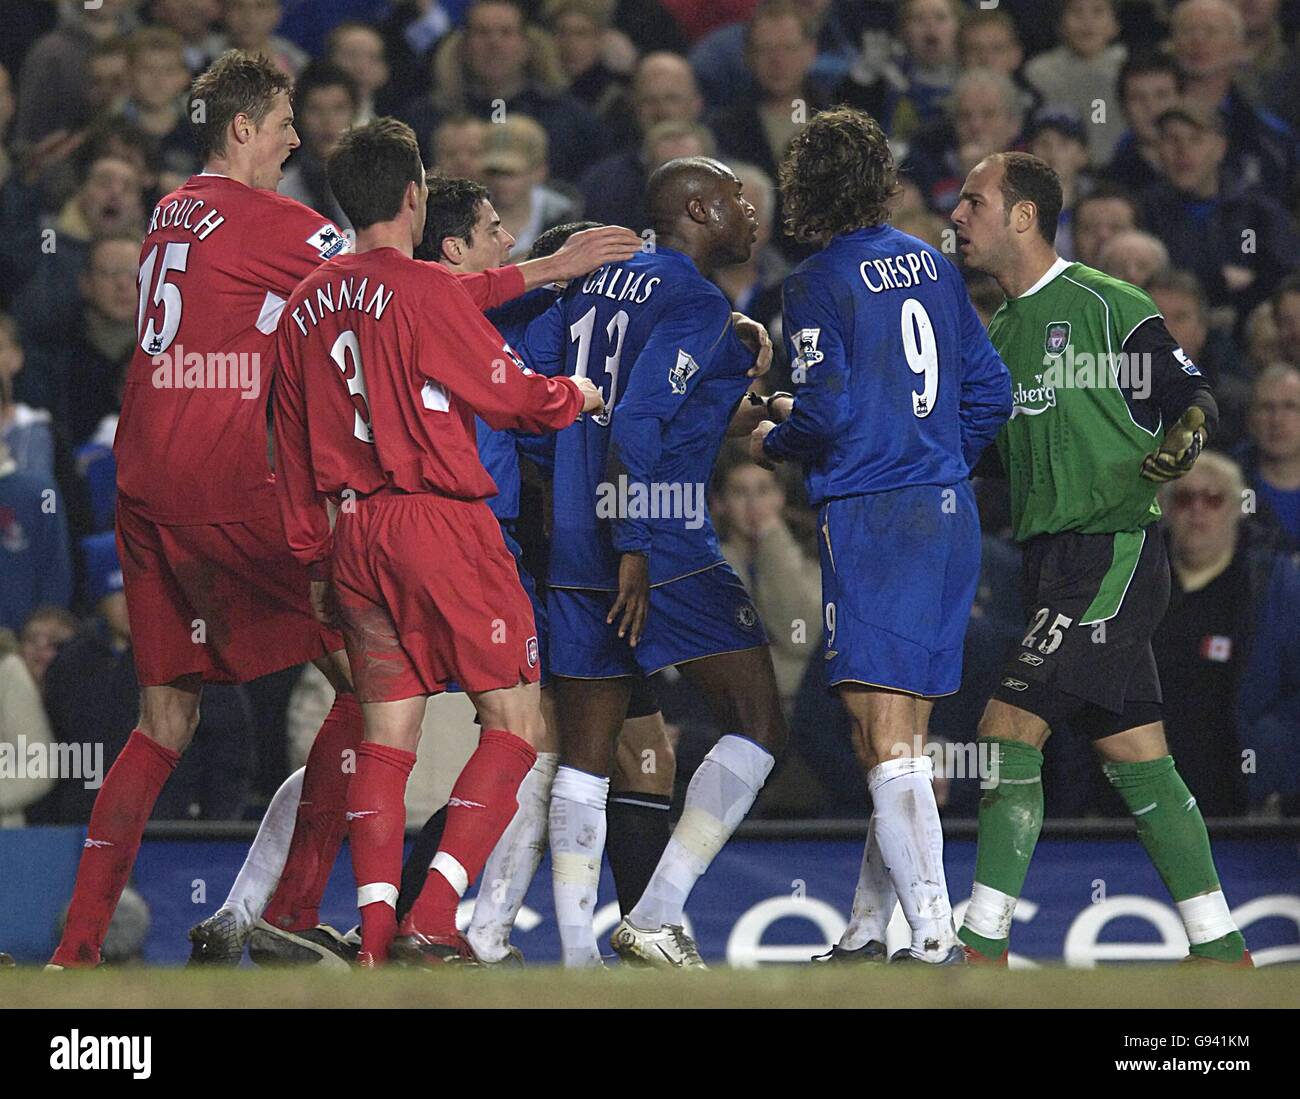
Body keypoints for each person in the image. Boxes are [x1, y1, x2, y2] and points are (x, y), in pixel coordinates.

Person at [269, 116, 602, 967]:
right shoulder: (419, 291)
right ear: (416, 198)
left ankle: (377, 941)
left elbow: (291, 443)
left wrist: (313, 559)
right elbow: (510, 395)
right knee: (517, 719)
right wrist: (578, 394)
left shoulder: (308, 299)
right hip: (439, 522)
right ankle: (436, 912)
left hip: (351, 533)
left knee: (386, 737)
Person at [950, 150, 1252, 967]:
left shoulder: (1104, 301)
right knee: (1136, 754)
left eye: (974, 202)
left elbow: (1188, 393)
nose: (958, 216)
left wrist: (1188, 431)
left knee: (1006, 727)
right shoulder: (1000, 332)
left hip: (1111, 550)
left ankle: (980, 949)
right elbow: (984, 452)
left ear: (1024, 215)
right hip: (1050, 562)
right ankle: (1222, 952)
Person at [751, 107, 1011, 965]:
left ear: (805, 188)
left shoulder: (817, 280)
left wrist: (773, 438)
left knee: (879, 737)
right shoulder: (934, 266)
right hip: (947, 515)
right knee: (900, 734)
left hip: (873, 518)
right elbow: (991, 392)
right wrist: (933, 457)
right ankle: (870, 930)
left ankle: (936, 938)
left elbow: (822, 411)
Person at [515, 156, 784, 968]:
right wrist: (635, 543)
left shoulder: (597, 282)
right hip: (658, 537)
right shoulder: (694, 298)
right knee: (760, 723)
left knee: (585, 754)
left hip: (571, 534)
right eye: (737, 197)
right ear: (699, 209)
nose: (750, 210)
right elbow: (638, 425)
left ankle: (574, 959)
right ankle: (657, 910)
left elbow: (549, 379)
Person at [1140, 451, 1300, 817]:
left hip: (1237, 798)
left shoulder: (1273, 587)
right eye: (1184, 498)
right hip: (1141, 797)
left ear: (1237, 508)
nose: (1198, 510)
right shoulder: (1135, 583)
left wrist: (1277, 769)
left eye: (1213, 499)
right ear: (1164, 508)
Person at [1236, 364, 1300, 547]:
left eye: (1290, 406)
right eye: (1266, 407)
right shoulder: (1227, 482)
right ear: (1250, 419)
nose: (1277, 420)